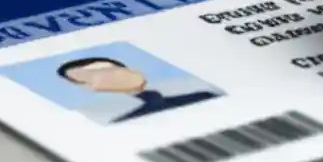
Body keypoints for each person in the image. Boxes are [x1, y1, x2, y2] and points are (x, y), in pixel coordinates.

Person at [57, 57, 219, 122]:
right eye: (93, 76)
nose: (111, 75)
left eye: (108, 69)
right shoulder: (109, 118)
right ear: (86, 87)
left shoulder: (197, 81)